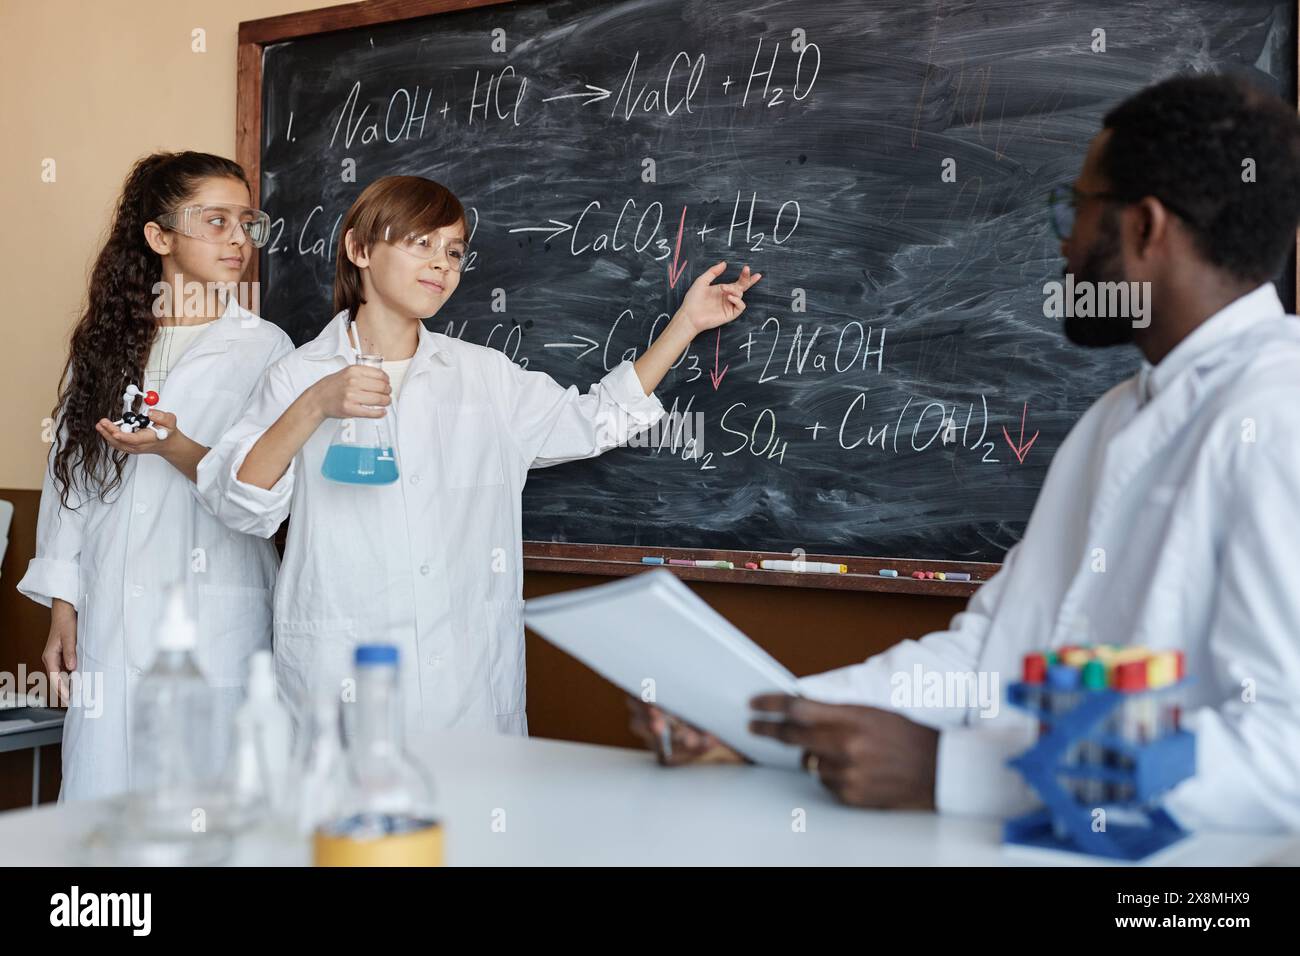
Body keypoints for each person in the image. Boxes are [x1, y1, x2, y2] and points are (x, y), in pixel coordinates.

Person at [629, 73, 1300, 831]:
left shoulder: (1277, 420)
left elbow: (1283, 756)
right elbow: (992, 656)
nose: (1064, 240)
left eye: (1075, 209)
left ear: (1146, 228)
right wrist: (770, 721)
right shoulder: (1118, 417)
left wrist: (954, 771)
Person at [200, 174, 761, 740]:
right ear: (359, 249)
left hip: (466, 683)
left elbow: (596, 420)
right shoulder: (297, 375)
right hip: (342, 678)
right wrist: (313, 406)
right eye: (420, 242)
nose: (442, 263)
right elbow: (240, 504)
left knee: (475, 817)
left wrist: (686, 325)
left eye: (454, 251)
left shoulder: (483, 376)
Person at [19, 151, 293, 800]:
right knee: (105, 806)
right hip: (110, 609)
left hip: (218, 613)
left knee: (209, 807)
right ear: (159, 237)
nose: (238, 240)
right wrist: (64, 608)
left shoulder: (265, 350)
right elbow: (71, 482)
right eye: (216, 221)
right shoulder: (108, 345)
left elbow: (263, 495)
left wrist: (175, 447)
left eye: (246, 222)